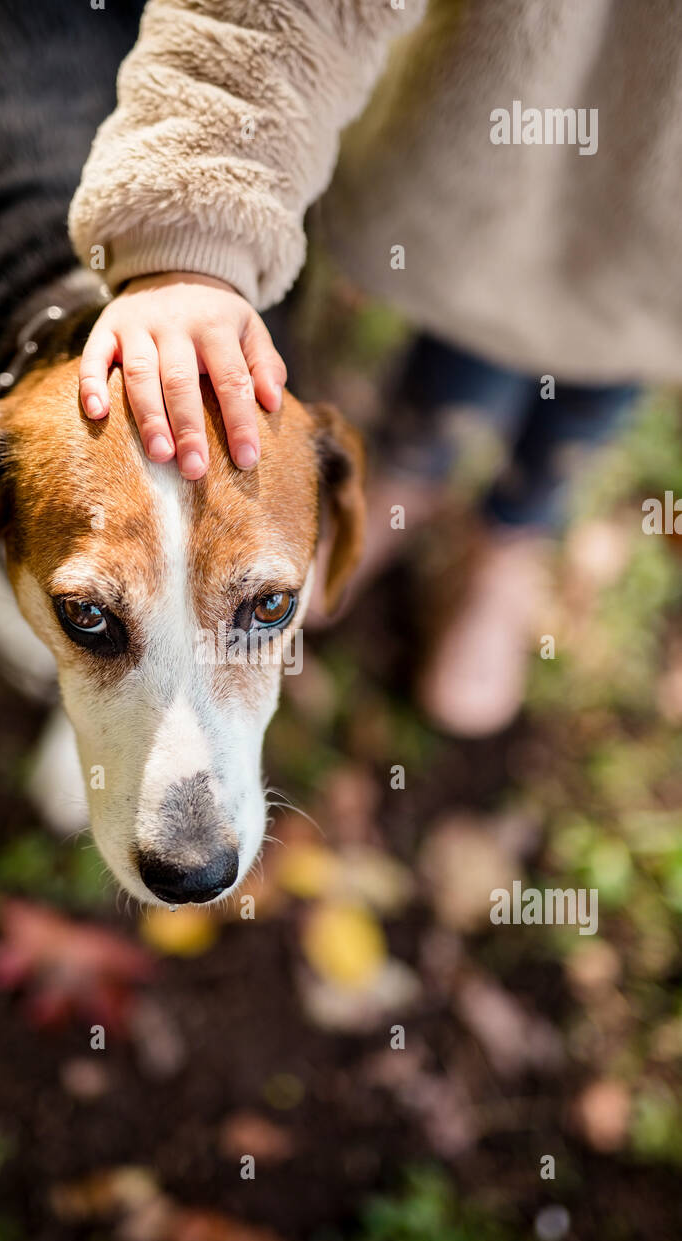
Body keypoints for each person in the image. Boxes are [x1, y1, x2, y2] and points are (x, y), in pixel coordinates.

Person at [67, 0, 681, 737]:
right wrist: (192, 231)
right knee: (468, 340)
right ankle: (411, 477)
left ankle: (511, 534)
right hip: (498, 192)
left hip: (661, 286)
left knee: (594, 390)